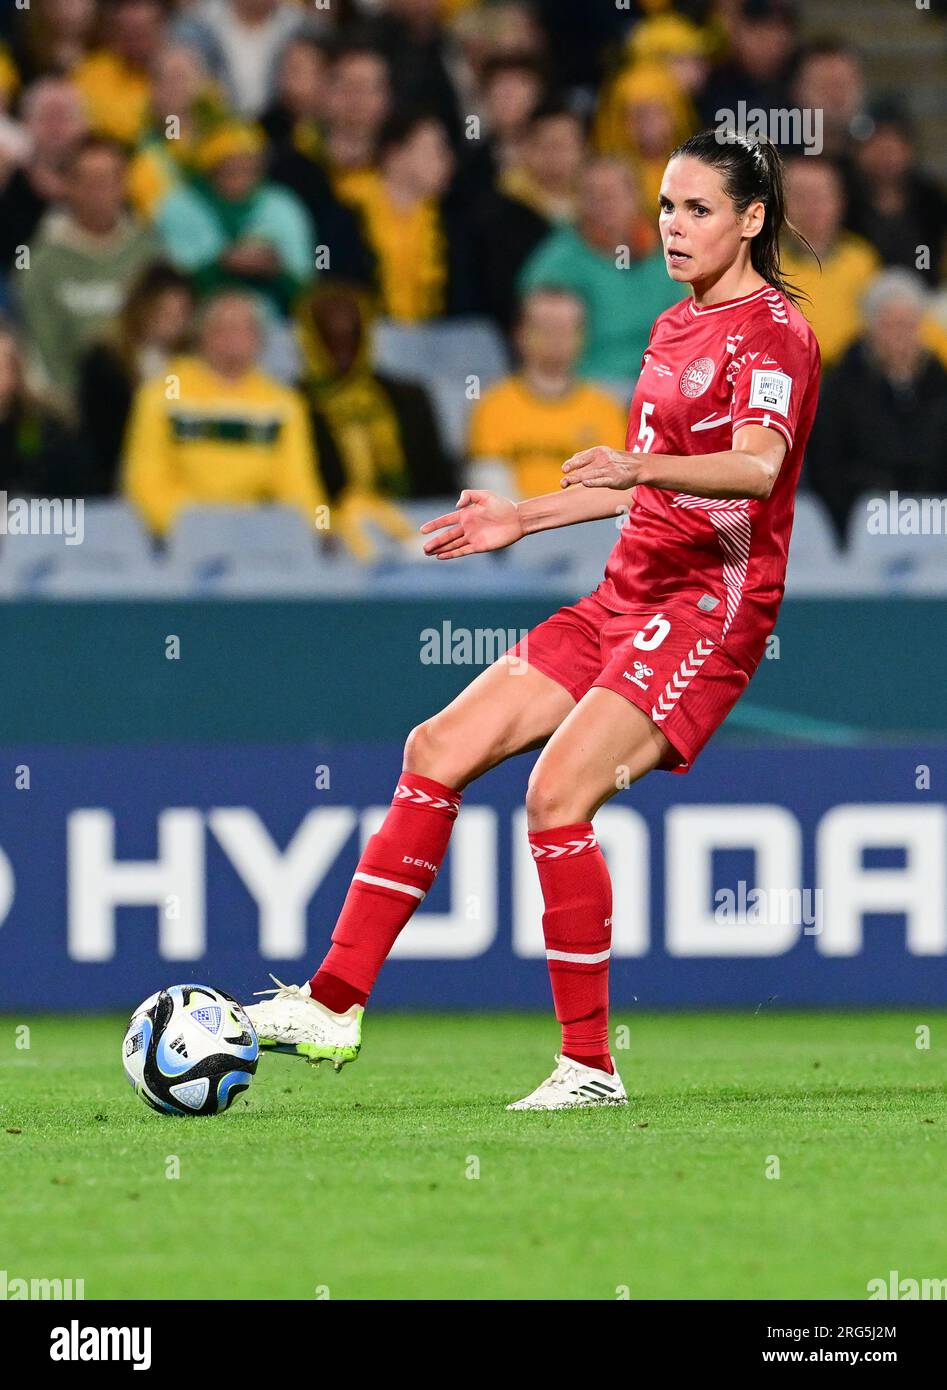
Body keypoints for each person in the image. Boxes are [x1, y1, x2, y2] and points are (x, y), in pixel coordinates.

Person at [244, 131, 822, 1111]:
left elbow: (756, 468)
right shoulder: (674, 326)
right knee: (436, 745)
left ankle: (589, 1068)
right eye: (666, 208)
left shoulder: (773, 332)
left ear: (751, 219)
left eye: (696, 210)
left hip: (703, 608)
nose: (672, 228)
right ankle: (333, 1002)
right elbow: (629, 489)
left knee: (555, 797)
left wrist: (636, 469)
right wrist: (523, 516)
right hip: (621, 594)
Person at [123, 290, 326, 536]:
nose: (235, 338)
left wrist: (318, 527)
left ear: (259, 339)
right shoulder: (161, 394)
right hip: (181, 535)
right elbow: (145, 482)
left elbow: (298, 483)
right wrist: (197, 527)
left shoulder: (283, 404)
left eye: (246, 329)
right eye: (224, 328)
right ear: (202, 335)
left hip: (257, 535)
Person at [295, 282, 456, 561]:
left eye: (351, 338)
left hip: (413, 526)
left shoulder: (410, 397)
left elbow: (437, 479)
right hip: (333, 530)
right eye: (330, 340)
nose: (342, 351)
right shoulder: (295, 402)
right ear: (311, 339)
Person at [18, 135, 159, 410]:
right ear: (69, 186)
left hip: (143, 401)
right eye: (90, 182)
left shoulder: (150, 255)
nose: (100, 193)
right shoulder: (40, 263)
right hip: (67, 408)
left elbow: (164, 336)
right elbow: (41, 347)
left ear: (124, 186)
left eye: (109, 181)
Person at [805, 269, 947, 539]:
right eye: (889, 325)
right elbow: (827, 465)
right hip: (862, 523)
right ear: (869, 329)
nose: (900, 336)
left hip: (935, 521)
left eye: (908, 325)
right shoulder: (841, 389)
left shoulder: (940, 387)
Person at [519, 158, 682, 388]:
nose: (605, 203)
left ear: (636, 196)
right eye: (593, 195)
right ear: (579, 202)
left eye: (613, 194)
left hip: (664, 377)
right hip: (591, 383)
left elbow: (688, 325)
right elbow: (540, 343)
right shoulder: (557, 262)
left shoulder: (668, 249)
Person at [467, 285, 627, 498]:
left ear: (583, 336)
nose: (557, 338)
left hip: (587, 525)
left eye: (567, 328)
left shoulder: (607, 408)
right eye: (546, 327)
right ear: (520, 334)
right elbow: (489, 485)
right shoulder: (493, 405)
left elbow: (614, 488)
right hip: (518, 524)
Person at [155, 121, 314, 319]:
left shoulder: (283, 205)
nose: (238, 173)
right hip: (198, 323)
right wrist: (223, 265)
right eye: (228, 166)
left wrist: (276, 271)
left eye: (246, 165)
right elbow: (171, 287)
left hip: (273, 324)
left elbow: (306, 291)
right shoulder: (180, 206)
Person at [76, 261, 196, 495]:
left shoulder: (194, 366)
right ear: (141, 308)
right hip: (116, 476)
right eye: (163, 311)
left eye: (181, 313)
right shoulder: (104, 363)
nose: (172, 322)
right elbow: (100, 439)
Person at [780, 156, 880, 367]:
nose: (811, 206)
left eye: (820, 196)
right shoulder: (762, 261)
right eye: (800, 196)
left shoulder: (862, 259)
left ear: (840, 202)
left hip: (850, 378)